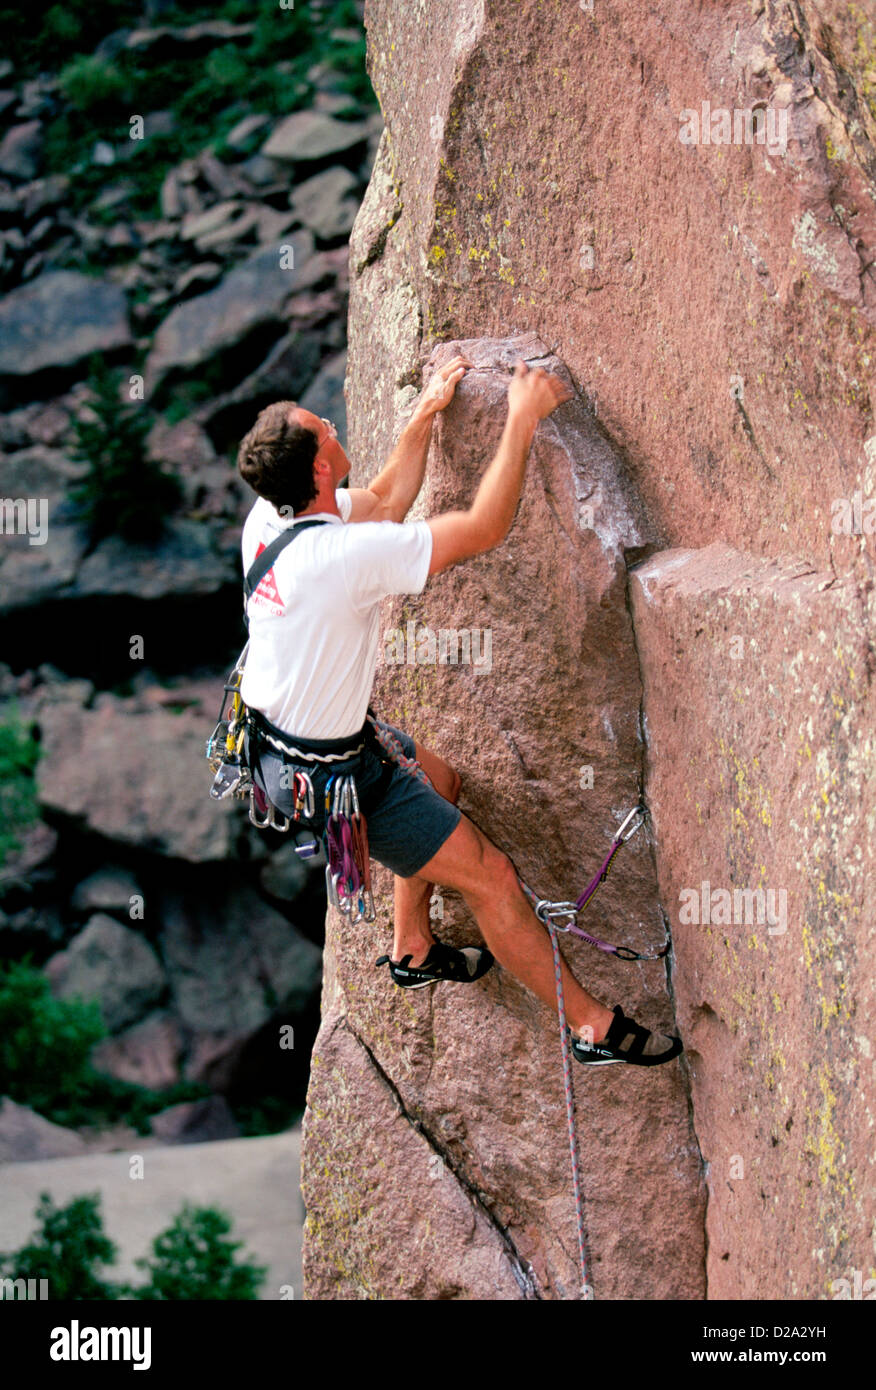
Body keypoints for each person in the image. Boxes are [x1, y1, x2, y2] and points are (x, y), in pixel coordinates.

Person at [236, 356, 682, 1067]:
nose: (330, 421)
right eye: (323, 428)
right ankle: (591, 1026)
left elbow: (382, 500)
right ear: (320, 470)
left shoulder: (269, 520)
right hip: (336, 776)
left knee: (441, 783)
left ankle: (412, 946)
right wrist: (522, 419)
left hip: (295, 751)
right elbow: (482, 527)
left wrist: (422, 418)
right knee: (491, 877)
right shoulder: (339, 559)